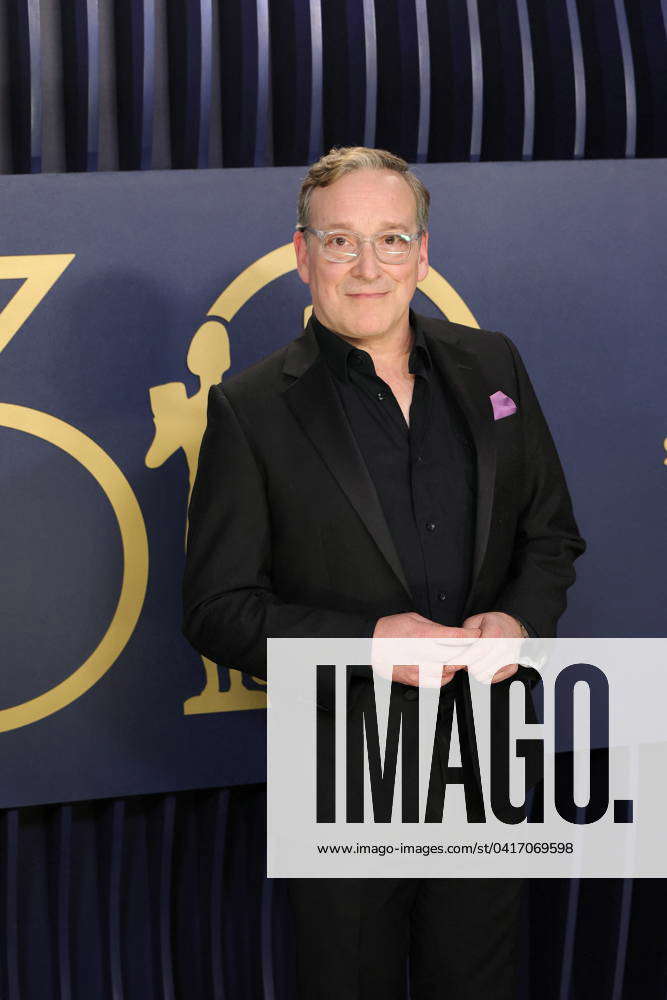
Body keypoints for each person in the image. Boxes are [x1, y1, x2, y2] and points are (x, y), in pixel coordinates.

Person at [182, 146, 585, 999]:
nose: (368, 267)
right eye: (340, 242)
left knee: (480, 979)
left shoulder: (493, 365)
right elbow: (217, 609)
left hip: (486, 753)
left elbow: (550, 535)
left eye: (391, 239)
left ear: (423, 254)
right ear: (302, 254)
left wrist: (517, 623)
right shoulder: (250, 408)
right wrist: (369, 643)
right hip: (341, 761)